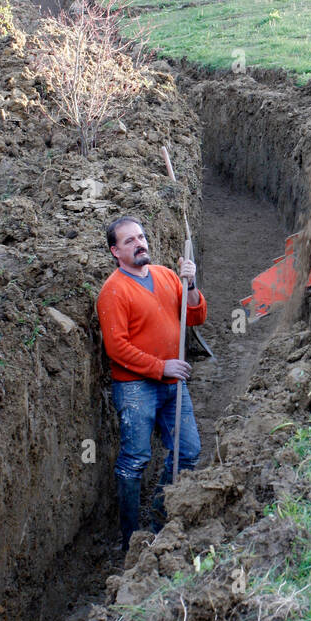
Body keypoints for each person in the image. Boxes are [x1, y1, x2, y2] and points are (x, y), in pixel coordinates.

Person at [96, 216, 208, 552]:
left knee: (188, 451)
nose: (139, 243)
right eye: (129, 241)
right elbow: (117, 349)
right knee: (135, 460)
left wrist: (190, 285)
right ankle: (131, 539)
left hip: (173, 383)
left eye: (141, 237)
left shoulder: (166, 276)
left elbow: (197, 316)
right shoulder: (113, 292)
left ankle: (159, 522)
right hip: (135, 387)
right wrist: (161, 367)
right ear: (116, 251)